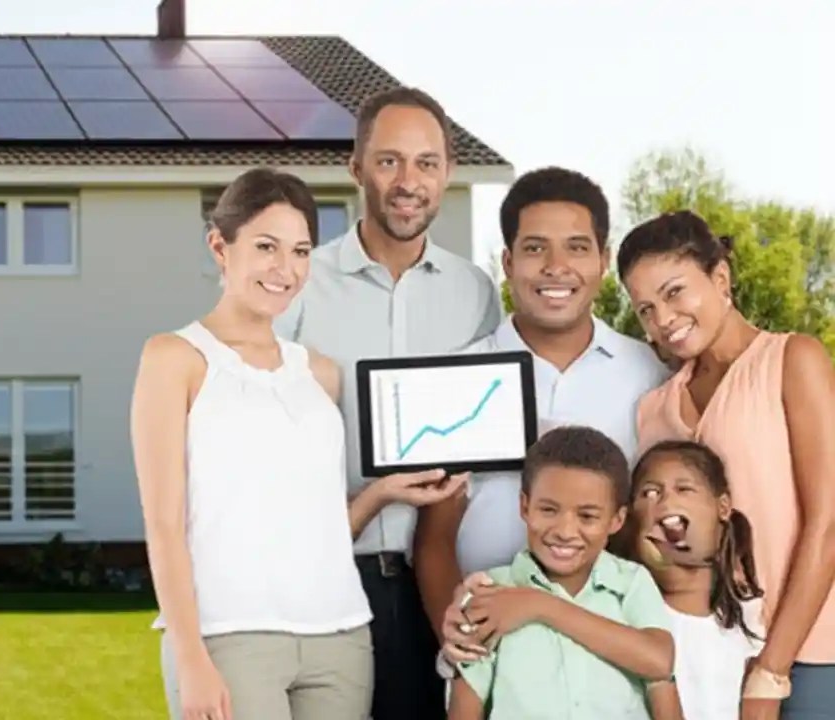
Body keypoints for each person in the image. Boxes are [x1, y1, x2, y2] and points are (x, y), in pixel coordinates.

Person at [274, 85, 500, 720]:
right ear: (355, 167)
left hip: (437, 581)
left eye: (427, 163)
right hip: (328, 576)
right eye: (389, 161)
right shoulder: (298, 284)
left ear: (447, 173)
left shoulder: (475, 291)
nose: (409, 181)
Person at [131, 167, 377, 720]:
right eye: (266, 246)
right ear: (221, 246)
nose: (285, 269)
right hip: (228, 636)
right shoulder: (174, 358)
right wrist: (190, 656)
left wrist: (382, 496)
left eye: (300, 251)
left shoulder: (320, 374)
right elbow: (164, 524)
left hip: (340, 637)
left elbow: (314, 519)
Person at [417, 166, 671, 687]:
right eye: (535, 249)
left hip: (609, 650)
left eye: (577, 248)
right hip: (491, 650)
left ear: (602, 260)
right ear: (507, 262)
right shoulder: (462, 377)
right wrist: (461, 634)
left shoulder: (650, 373)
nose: (557, 268)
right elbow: (435, 537)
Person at [619, 209, 835, 719]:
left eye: (675, 293)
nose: (663, 320)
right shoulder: (654, 411)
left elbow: (827, 523)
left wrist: (771, 671)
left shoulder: (792, 361)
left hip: (810, 650)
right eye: (646, 309)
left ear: (720, 278)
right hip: (709, 659)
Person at [445, 425, 677, 720]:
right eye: (548, 510)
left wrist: (540, 605)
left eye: (587, 516)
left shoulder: (631, 581)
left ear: (617, 520)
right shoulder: (491, 590)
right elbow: (465, 709)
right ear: (524, 507)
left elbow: (658, 661)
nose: (565, 532)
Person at [623, 438, 766, 720]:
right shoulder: (634, 611)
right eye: (649, 493)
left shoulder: (746, 612)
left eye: (684, 489)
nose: (664, 499)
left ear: (722, 507)